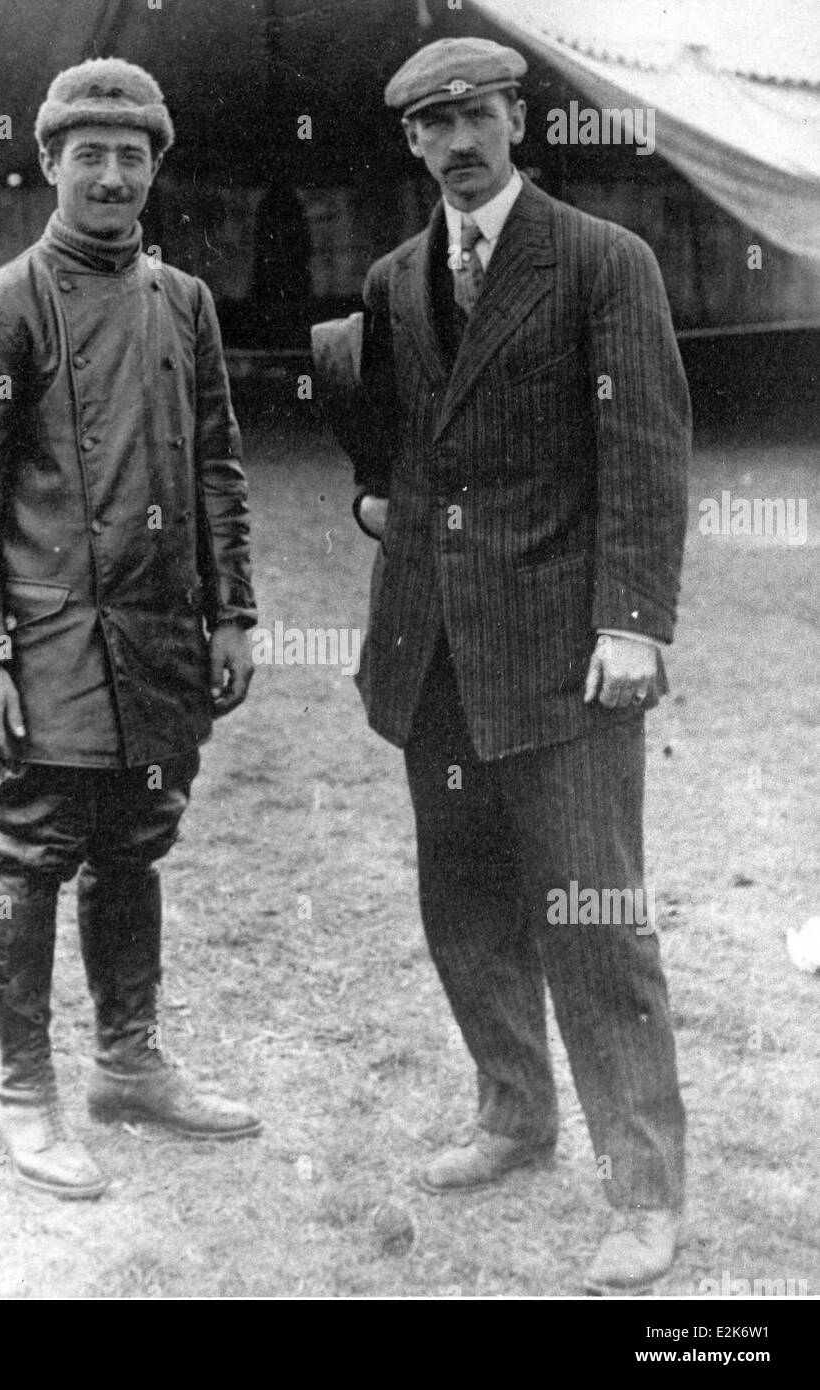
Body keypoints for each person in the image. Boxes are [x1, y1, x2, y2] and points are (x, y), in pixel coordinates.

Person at [345, 38, 691, 1293]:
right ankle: (510, 1112)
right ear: (411, 142)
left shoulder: (604, 262)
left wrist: (633, 622)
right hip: (433, 656)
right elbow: (391, 450)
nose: (458, 140)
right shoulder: (394, 280)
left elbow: (646, 454)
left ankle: (644, 1190)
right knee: (466, 908)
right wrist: (376, 508)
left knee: (592, 925)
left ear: (516, 117)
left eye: (477, 114)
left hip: (563, 660)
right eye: (432, 123)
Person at [0, 58, 261, 1201]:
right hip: (45, 648)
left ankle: (127, 1062)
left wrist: (234, 610)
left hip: (160, 646)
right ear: (52, 163)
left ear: (154, 168)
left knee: (135, 844)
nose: (111, 175)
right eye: (89, 154)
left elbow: (216, 468)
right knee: (31, 856)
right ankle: (25, 1093)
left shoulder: (185, 304)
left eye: (132, 155)